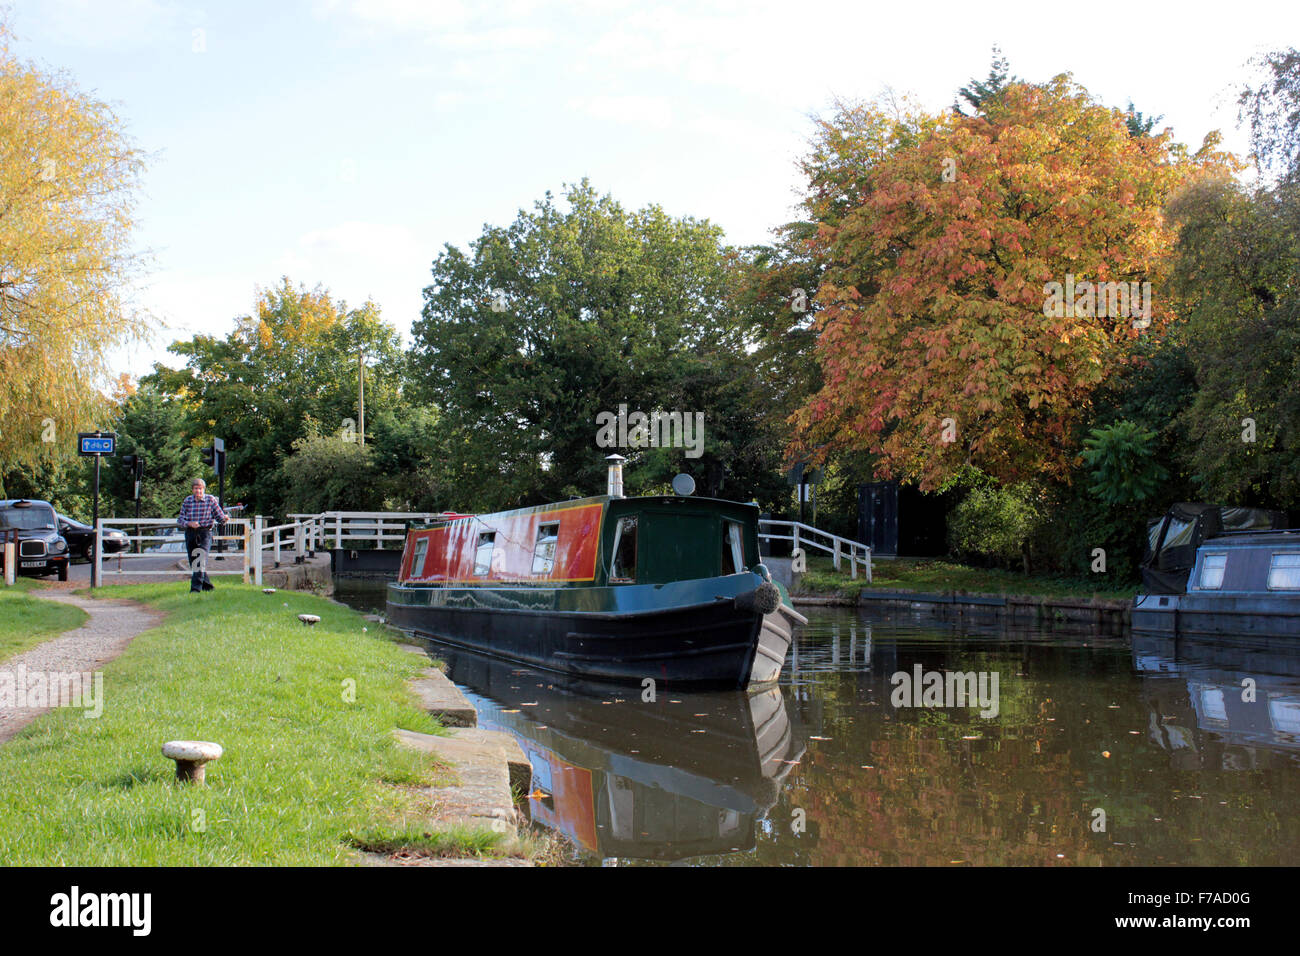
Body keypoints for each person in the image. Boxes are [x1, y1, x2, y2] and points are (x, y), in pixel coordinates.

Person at [177, 478, 228, 593]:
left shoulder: (210, 500)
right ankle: (208, 587)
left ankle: (195, 589)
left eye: (200, 489)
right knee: (193, 561)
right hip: (191, 532)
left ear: (203, 489)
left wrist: (225, 519)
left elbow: (220, 517)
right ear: (192, 490)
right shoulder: (188, 501)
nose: (198, 491)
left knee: (200, 559)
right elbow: (180, 519)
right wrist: (189, 523)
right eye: (196, 489)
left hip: (205, 532)